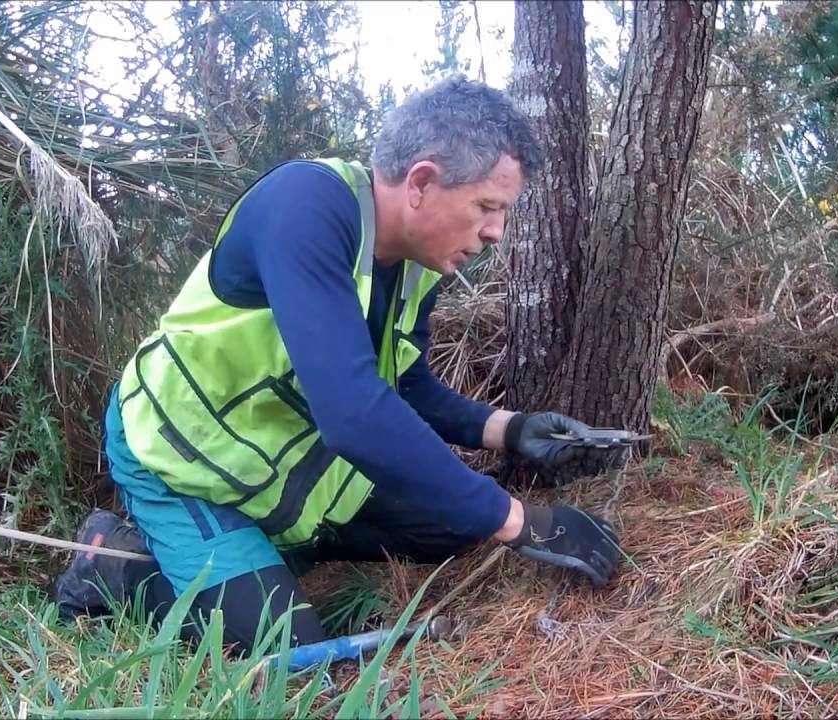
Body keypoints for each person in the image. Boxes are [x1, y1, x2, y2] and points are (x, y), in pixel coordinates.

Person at [54, 76, 621, 652]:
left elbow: (408, 387)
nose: (495, 232)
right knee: (286, 648)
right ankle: (115, 567)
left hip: (276, 460)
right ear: (421, 182)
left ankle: (263, 555)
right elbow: (352, 413)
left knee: (452, 526)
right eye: (487, 207)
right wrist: (521, 520)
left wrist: (514, 429)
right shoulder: (305, 206)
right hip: (180, 456)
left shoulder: (417, 264)